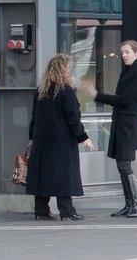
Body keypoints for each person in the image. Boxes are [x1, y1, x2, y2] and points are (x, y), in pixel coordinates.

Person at [26, 54, 90, 221]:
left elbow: (34, 117)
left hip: (41, 140)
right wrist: (83, 137)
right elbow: (73, 118)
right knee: (64, 174)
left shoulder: (40, 91)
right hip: (61, 141)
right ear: (64, 71)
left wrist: (32, 137)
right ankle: (67, 211)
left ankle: (41, 211)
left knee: (43, 175)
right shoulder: (66, 91)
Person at [94, 40, 137, 218]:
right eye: (122, 53)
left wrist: (99, 96)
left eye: (127, 52)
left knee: (124, 163)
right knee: (121, 163)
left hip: (129, 122)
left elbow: (125, 99)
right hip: (122, 121)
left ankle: (136, 204)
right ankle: (129, 204)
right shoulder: (129, 71)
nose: (124, 56)